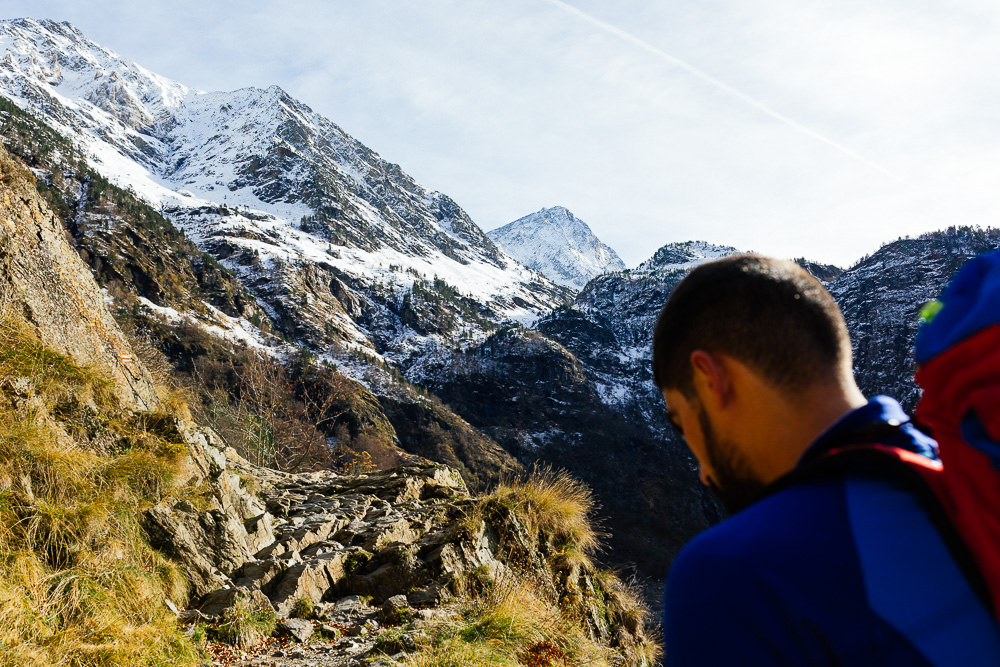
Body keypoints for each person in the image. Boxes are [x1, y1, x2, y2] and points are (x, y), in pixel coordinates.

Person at [651, 254, 1000, 665]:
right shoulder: (967, 484)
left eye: (680, 421)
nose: (704, 472)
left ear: (710, 379)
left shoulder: (730, 574)